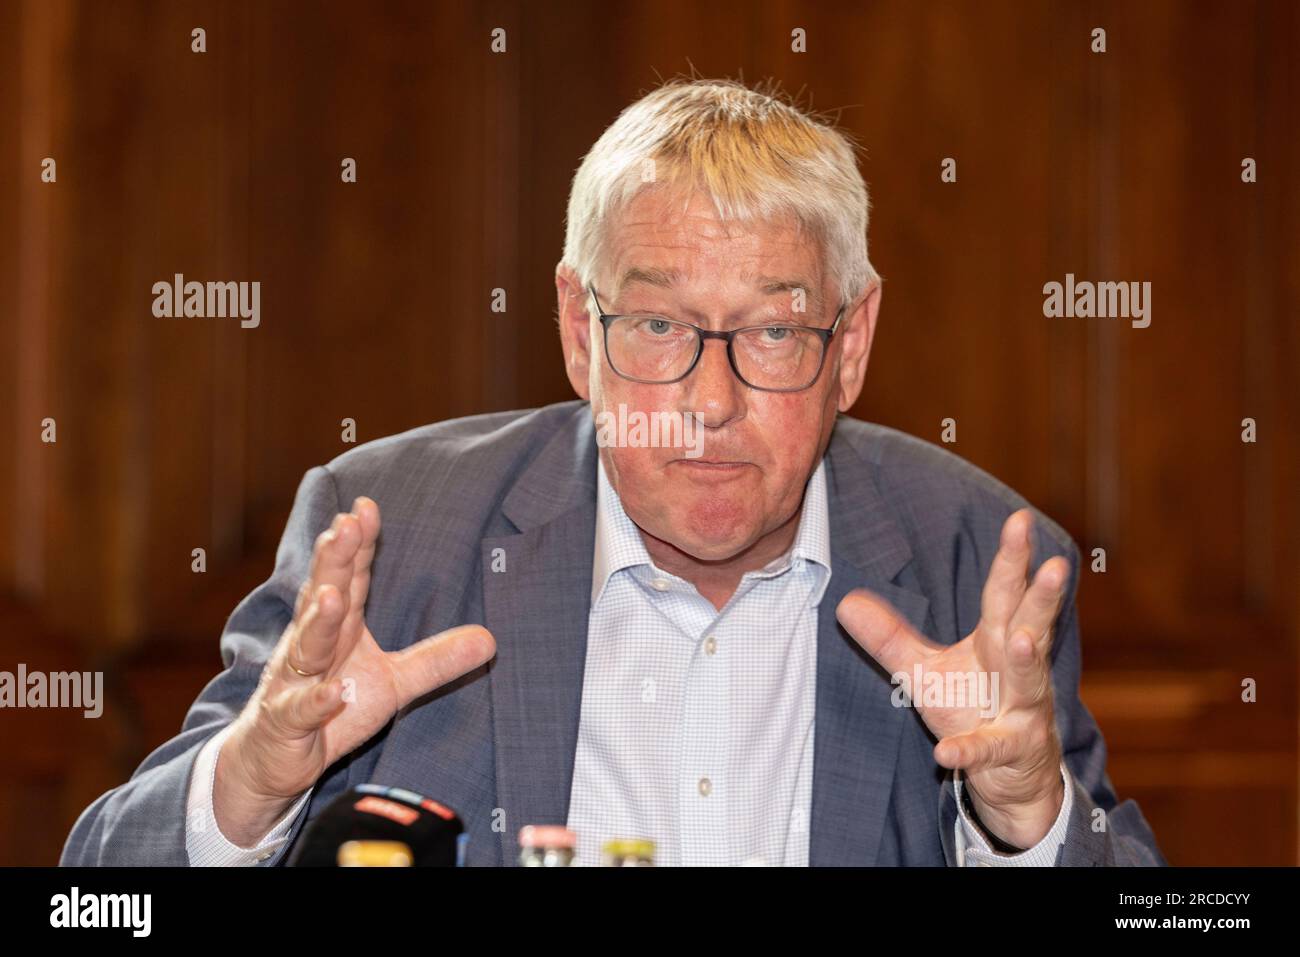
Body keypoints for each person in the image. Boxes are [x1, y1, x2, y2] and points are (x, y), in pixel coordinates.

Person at [61, 77, 1163, 867]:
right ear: (577, 333)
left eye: (774, 335)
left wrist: (1025, 820)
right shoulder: (393, 537)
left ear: (853, 342)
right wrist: (253, 782)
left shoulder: (984, 560)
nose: (710, 403)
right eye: (655, 327)